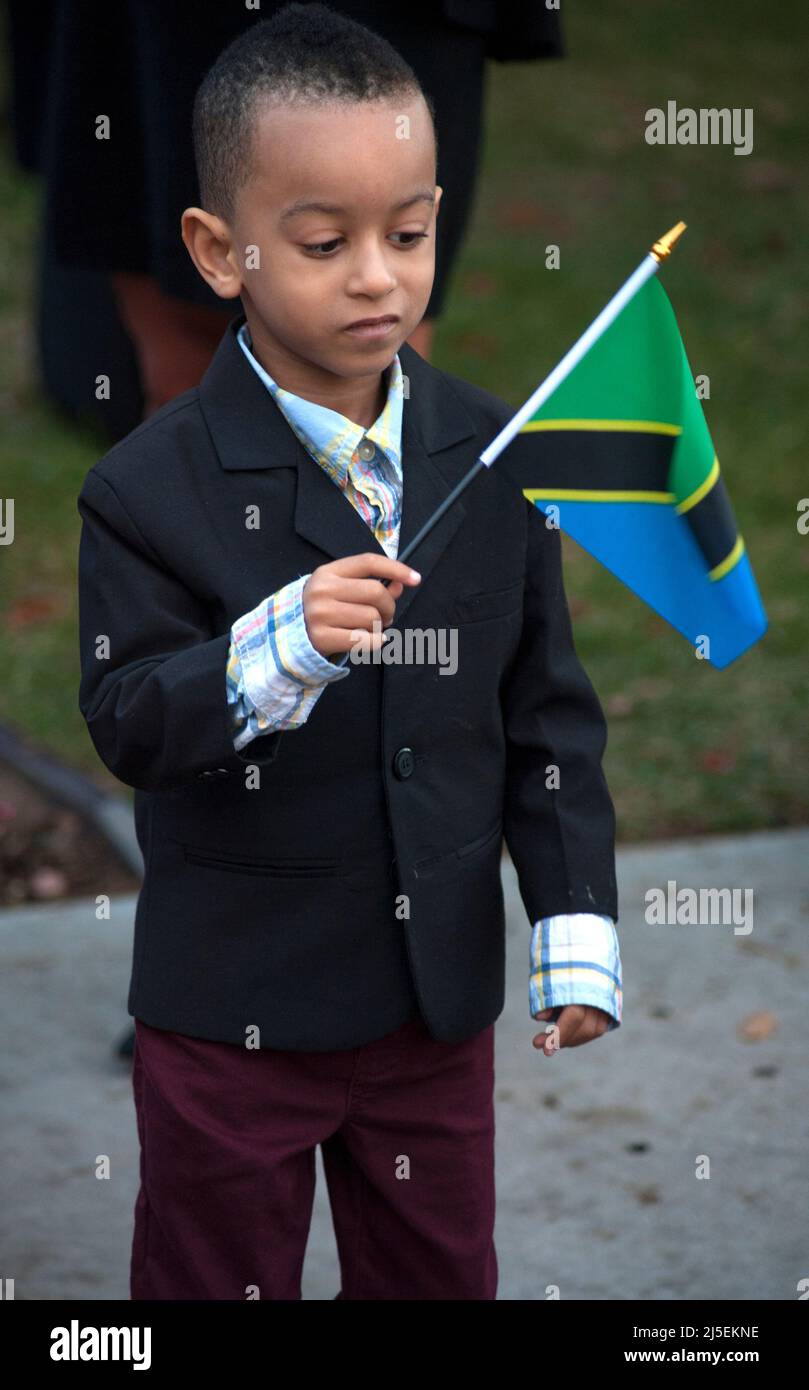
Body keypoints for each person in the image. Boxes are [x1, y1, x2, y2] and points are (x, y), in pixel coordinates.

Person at [77, 4, 622, 1301]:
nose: (377, 274)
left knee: (438, 1276)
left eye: (410, 231)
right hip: (232, 1021)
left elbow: (545, 718)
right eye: (325, 242)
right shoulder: (148, 487)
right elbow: (129, 718)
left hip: (432, 1015)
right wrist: (274, 646)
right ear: (221, 249)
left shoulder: (489, 458)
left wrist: (572, 924)